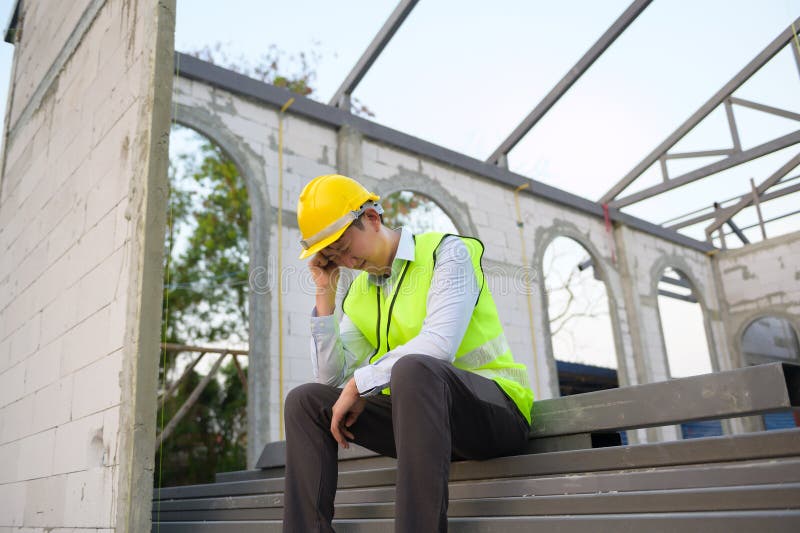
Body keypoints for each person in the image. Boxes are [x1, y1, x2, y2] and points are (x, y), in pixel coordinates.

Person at [282, 174, 534, 532]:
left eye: (343, 244)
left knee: (415, 369)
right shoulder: (359, 295)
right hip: (424, 429)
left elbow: (439, 344)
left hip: (495, 414)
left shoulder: (447, 253)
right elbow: (330, 381)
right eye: (331, 255)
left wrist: (359, 384)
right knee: (305, 400)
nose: (345, 260)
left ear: (371, 218)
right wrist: (325, 294)